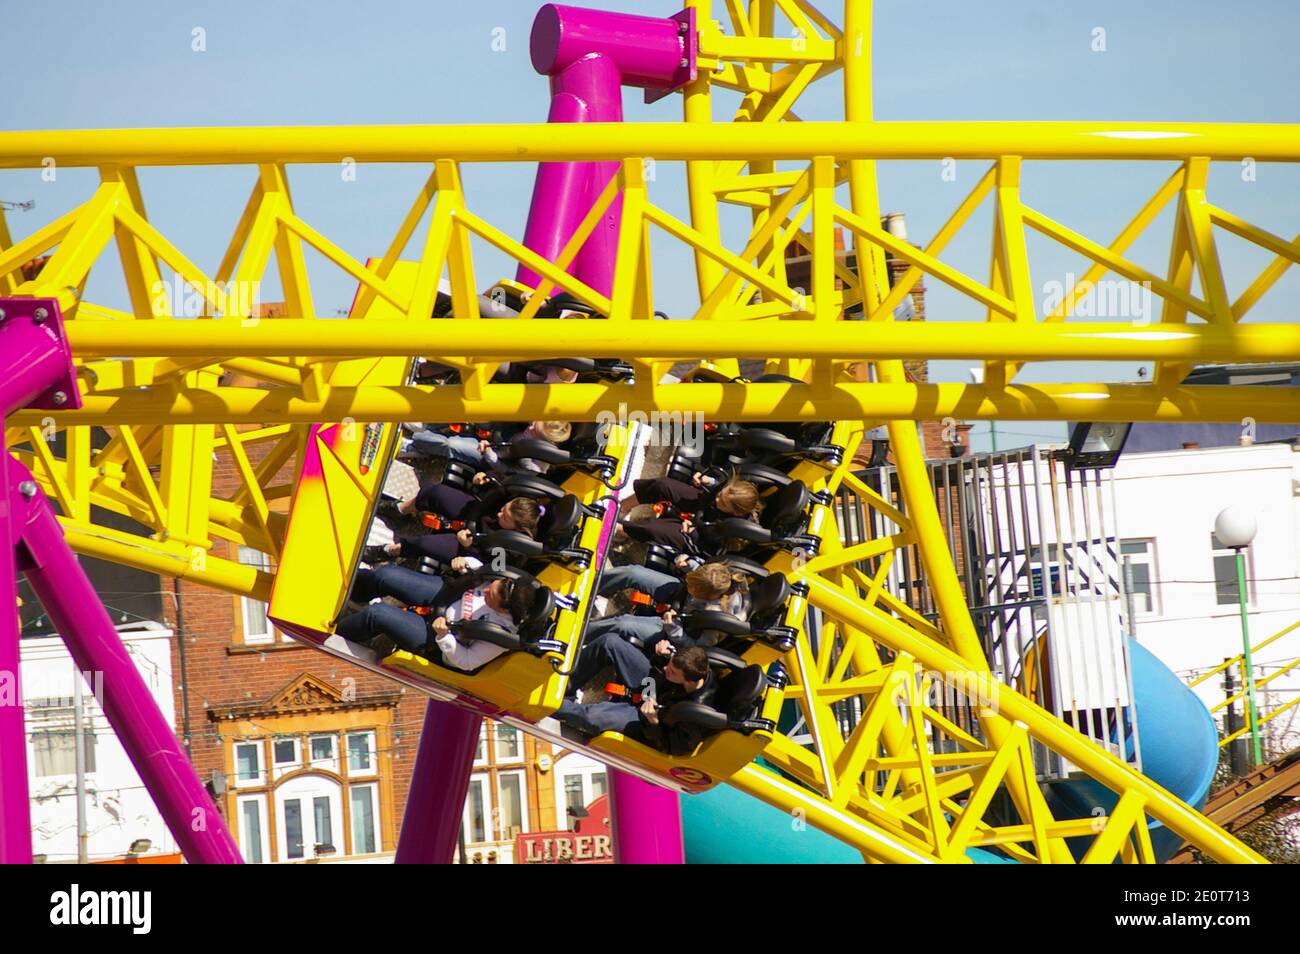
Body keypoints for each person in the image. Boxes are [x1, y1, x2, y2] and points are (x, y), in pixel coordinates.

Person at [336, 572, 528, 672]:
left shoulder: (499, 635)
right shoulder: (504, 584)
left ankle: (334, 630)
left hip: (434, 635)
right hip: (446, 595)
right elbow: (486, 566)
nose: (486, 591)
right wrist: (467, 564)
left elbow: (467, 662)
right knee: (386, 576)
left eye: (489, 597)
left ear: (503, 609)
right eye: (489, 588)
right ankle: (347, 586)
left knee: (377, 614)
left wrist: (444, 637)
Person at [555, 642, 717, 756]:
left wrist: (653, 723)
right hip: (652, 686)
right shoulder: (693, 665)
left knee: (594, 716)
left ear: (689, 681)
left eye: (672, 671)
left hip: (646, 719)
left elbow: (668, 748)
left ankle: (550, 703)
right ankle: (562, 684)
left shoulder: (693, 717)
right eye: (670, 663)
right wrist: (660, 657)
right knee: (610, 643)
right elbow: (663, 671)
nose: (667, 668)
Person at [619, 472, 762, 556]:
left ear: (736, 513)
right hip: (703, 508)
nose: (717, 499)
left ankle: (620, 531)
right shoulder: (721, 495)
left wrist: (692, 532)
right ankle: (623, 506)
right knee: (663, 486)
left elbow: (710, 548)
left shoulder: (733, 532)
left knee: (653, 529)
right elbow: (717, 490)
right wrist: (708, 482)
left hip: (698, 537)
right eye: (720, 494)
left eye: (722, 502)